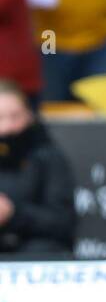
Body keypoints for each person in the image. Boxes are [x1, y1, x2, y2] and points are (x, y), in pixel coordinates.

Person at [0, 80, 74, 257]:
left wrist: (13, 213)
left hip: (35, 256)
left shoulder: (46, 155)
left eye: (15, 116)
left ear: (29, 115)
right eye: (0, 117)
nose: (8, 126)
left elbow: (63, 222)